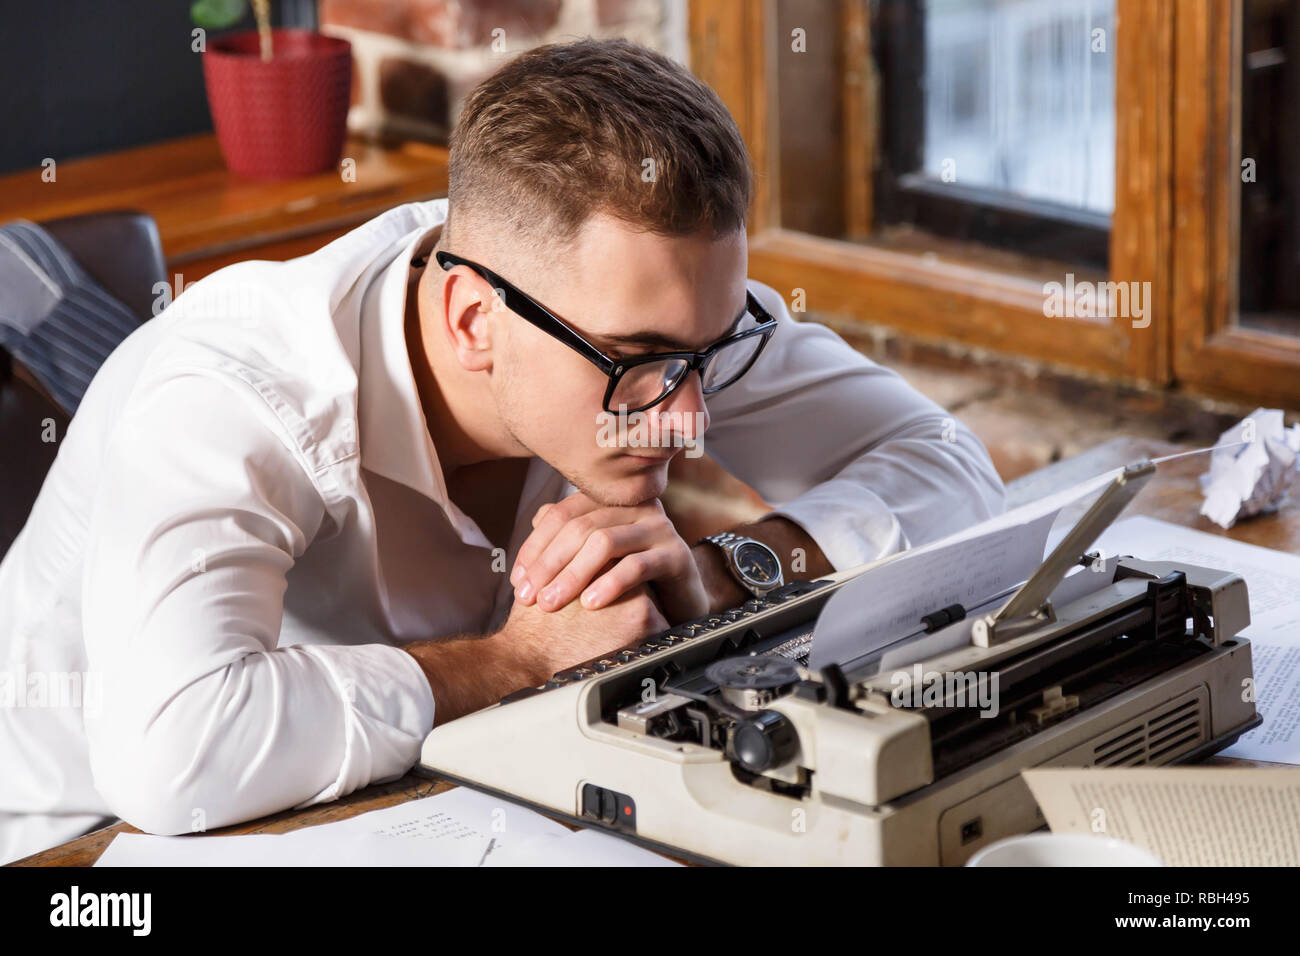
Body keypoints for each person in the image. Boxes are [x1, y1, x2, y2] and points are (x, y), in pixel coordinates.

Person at [0, 38, 1003, 864]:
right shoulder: (232, 385)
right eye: (640, 360)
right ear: (473, 320)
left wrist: (733, 565)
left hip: (437, 801)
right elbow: (171, 751)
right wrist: (517, 658)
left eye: (713, 348)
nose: (689, 414)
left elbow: (951, 468)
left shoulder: (647, 310)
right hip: (93, 846)